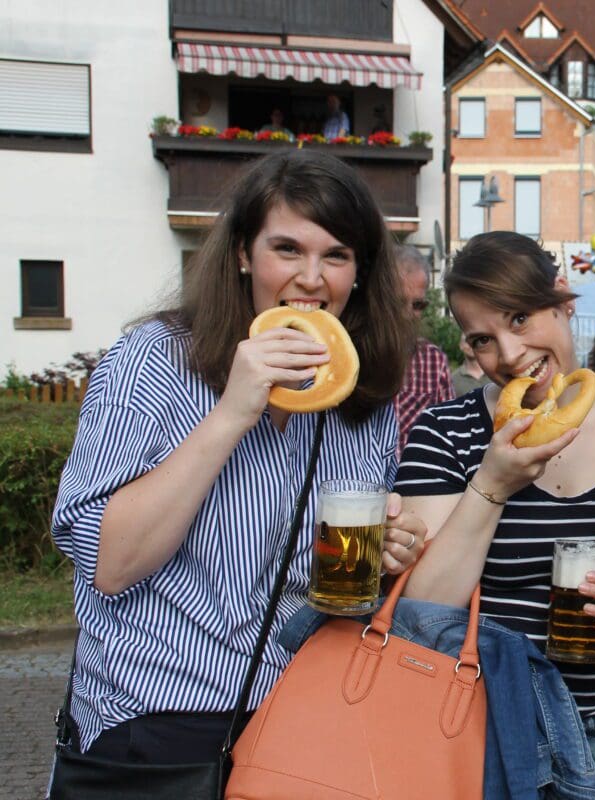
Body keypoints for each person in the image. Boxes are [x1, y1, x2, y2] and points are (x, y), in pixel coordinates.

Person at [50, 149, 428, 766]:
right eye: (287, 249)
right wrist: (231, 413)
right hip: (156, 718)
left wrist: (389, 550)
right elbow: (111, 564)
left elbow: (339, 583)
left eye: (336, 255)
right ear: (243, 254)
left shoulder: (360, 398)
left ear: (359, 273)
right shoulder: (153, 360)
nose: (312, 278)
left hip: (301, 713)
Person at [395, 231, 595, 798]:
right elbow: (420, 615)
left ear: (562, 299)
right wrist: (492, 483)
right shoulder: (445, 433)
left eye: (520, 318)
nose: (510, 354)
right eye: (483, 339)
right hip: (474, 729)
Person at [392, 245, 453, 453]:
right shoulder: (350, 357)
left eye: (418, 305)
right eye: (398, 302)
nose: (408, 314)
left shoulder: (432, 361)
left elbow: (449, 436)